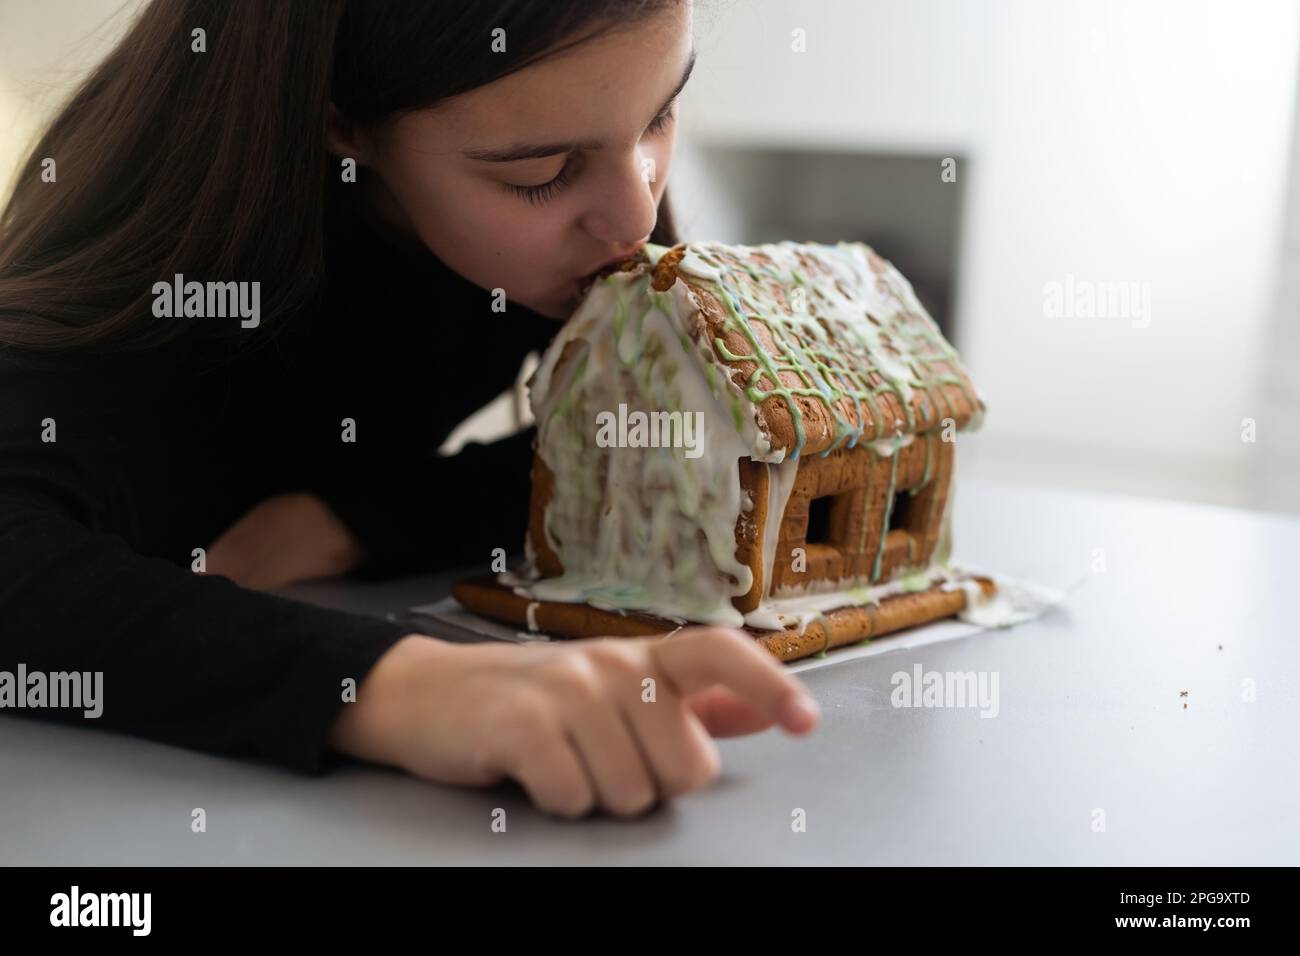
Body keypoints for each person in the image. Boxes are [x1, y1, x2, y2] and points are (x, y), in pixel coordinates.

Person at [0, 0, 820, 820]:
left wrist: (354, 519)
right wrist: (396, 686)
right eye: (540, 173)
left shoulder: (578, 235)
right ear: (345, 127)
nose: (637, 214)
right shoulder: (161, 268)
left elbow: (635, 444)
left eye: (661, 114)